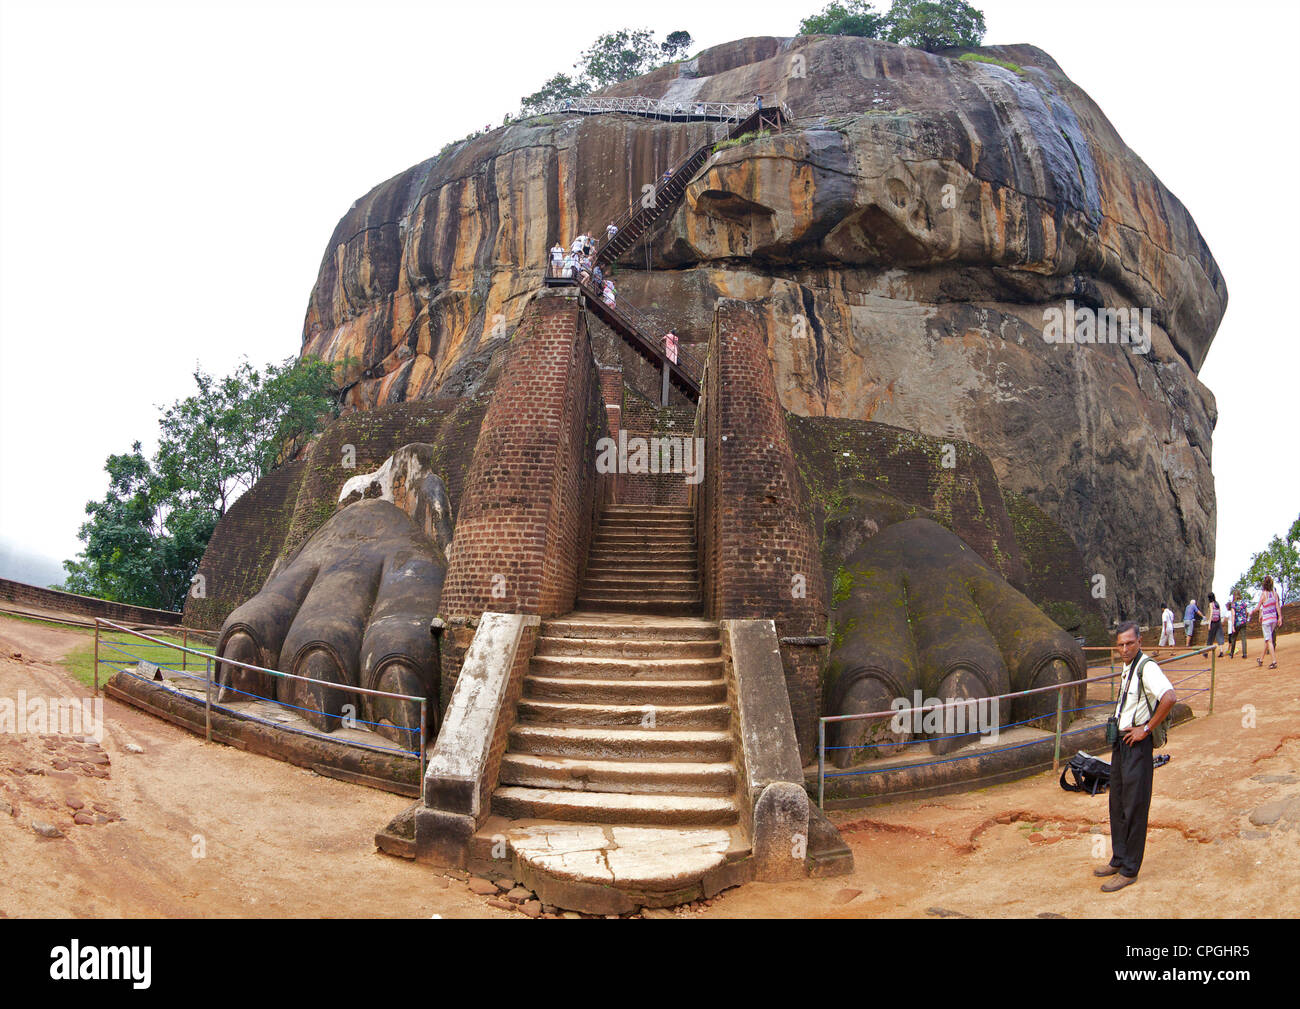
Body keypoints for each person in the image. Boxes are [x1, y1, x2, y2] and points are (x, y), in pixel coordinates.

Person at [1094, 621, 1176, 892]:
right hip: (1121, 742)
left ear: (1140, 641)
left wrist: (1147, 728)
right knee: (1117, 803)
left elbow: (1169, 696)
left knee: (1135, 806)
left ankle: (1130, 870)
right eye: (1121, 644)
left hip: (1137, 746)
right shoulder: (1127, 667)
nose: (1125, 648)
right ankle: (1118, 859)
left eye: (1130, 643)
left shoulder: (1147, 667)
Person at [1248, 575, 1283, 669]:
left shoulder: (1263, 594)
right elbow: (1277, 606)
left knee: (1269, 641)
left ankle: (1274, 661)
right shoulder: (1274, 593)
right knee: (1267, 640)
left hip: (1266, 621)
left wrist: (1251, 612)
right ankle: (1261, 659)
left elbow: (1258, 607)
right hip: (1273, 620)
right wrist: (1280, 617)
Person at [1231, 591, 1250, 659]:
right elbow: (1246, 612)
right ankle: (1244, 653)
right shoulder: (1243, 603)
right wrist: (1245, 619)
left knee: (1233, 638)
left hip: (1237, 623)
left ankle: (1231, 653)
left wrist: (1233, 625)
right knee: (1243, 638)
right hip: (1243, 622)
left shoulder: (1233, 604)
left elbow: (1233, 615)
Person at [1206, 593, 1224, 657]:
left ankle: (1206, 652)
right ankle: (1221, 651)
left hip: (1213, 622)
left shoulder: (1211, 604)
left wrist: (1209, 623)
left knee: (1210, 638)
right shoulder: (1217, 604)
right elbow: (1219, 612)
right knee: (1219, 636)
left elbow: (1211, 613)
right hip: (1218, 621)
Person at [1224, 593, 1236, 658]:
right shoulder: (1232, 611)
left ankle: (1230, 649)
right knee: (1232, 638)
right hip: (1232, 626)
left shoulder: (1228, 612)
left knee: (1230, 639)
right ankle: (1230, 649)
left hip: (1230, 627)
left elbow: (1225, 619)